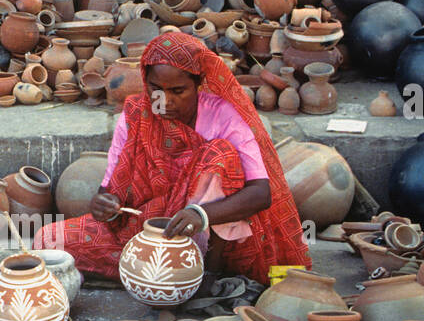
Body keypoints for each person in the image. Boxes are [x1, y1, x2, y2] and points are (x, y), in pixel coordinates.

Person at [34, 32, 311, 285]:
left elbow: (261, 194)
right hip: (146, 229)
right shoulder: (134, 116)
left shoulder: (224, 116)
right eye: (156, 88)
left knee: (220, 154)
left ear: (198, 84)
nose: (165, 101)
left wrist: (201, 215)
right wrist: (103, 204)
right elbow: (110, 188)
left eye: (178, 91)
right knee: (47, 240)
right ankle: (156, 271)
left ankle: (200, 274)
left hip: (209, 235)